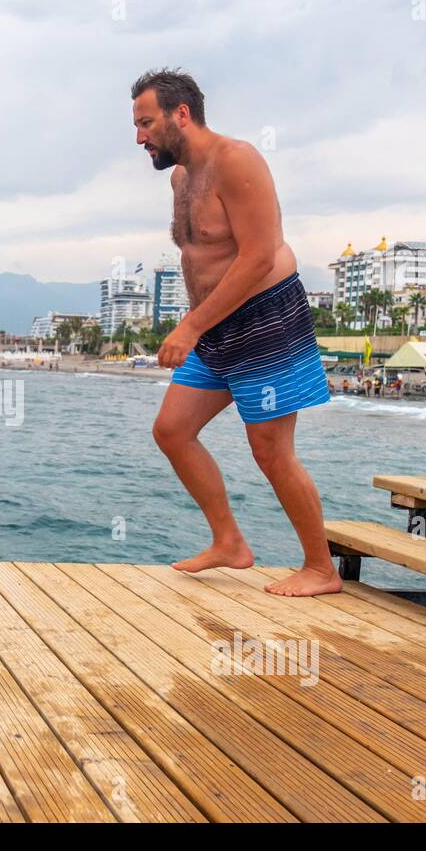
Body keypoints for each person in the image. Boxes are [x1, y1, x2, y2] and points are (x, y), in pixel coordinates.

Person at [134, 68, 339, 597]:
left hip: (265, 318)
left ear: (181, 114)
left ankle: (321, 568)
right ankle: (229, 542)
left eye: (146, 123)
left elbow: (258, 257)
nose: (139, 137)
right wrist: (198, 321)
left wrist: (190, 326)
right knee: (172, 430)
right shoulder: (181, 179)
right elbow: (200, 256)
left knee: (270, 449)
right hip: (214, 325)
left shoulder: (238, 161)